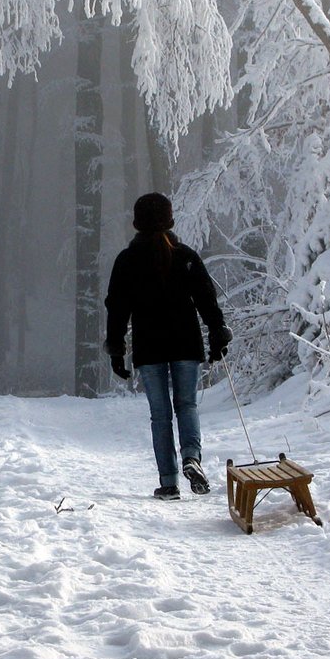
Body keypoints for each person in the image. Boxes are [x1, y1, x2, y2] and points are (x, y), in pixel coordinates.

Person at [104, 192, 232, 499]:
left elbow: (117, 308)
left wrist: (117, 350)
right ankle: (192, 458)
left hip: (150, 348)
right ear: (170, 219)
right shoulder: (185, 257)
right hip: (186, 343)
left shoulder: (127, 261)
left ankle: (169, 482)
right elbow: (206, 298)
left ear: (136, 223)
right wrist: (217, 333)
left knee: (160, 415)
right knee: (187, 405)